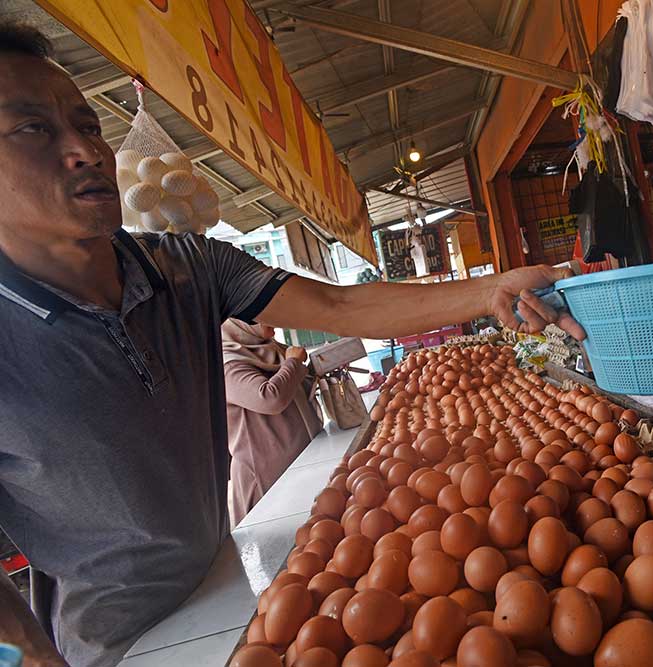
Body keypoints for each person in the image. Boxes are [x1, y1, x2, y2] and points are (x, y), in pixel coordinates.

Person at [0, 24, 580, 667]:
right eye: (33, 129)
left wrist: (490, 290)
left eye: (88, 124)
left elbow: (338, 306)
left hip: (230, 585)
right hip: (113, 650)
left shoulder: (186, 267)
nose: (85, 149)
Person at [221, 320, 323, 526]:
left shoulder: (271, 348)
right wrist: (293, 363)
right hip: (266, 477)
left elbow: (293, 387)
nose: (277, 319)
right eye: (264, 314)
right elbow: (269, 398)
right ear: (241, 322)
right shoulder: (228, 363)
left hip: (302, 464)